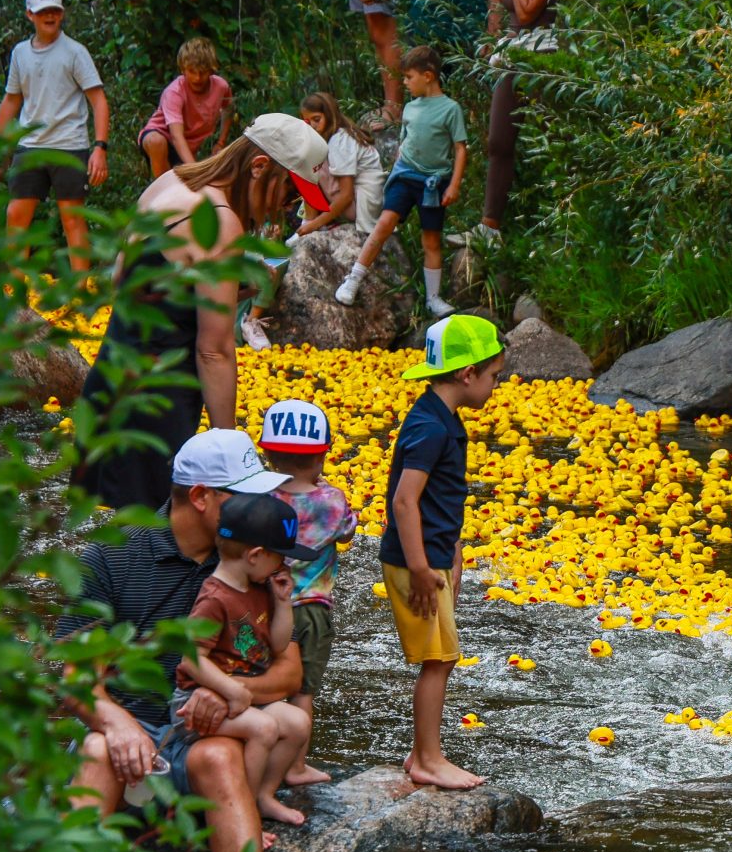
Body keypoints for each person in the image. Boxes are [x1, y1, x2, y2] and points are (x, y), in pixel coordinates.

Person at [59, 429, 302, 852]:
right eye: (245, 496)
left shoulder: (254, 561)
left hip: (197, 742)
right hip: (125, 735)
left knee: (220, 754)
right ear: (201, 497)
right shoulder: (111, 555)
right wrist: (116, 722)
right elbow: (75, 676)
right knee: (98, 746)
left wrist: (230, 691)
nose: (261, 509)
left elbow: (291, 670)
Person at [71, 113, 330, 511]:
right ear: (259, 168)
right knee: (161, 549)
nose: (288, 209)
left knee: (114, 551)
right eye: (290, 195)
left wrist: (229, 286)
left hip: (110, 385)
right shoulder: (219, 220)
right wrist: (229, 455)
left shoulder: (171, 181)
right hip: (158, 409)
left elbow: (125, 281)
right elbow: (214, 350)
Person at [381, 315, 506, 788]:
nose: (497, 384)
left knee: (444, 655)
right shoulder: (431, 429)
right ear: (466, 373)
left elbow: (439, 497)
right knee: (439, 658)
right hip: (414, 560)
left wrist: (452, 549)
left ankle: (420, 753)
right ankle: (430, 759)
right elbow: (405, 500)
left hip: (431, 553)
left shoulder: (441, 419)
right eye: (494, 375)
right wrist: (418, 567)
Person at [167, 492, 318, 829]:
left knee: (297, 724)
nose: (283, 565)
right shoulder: (214, 597)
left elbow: (279, 645)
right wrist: (232, 692)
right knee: (264, 728)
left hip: (239, 701)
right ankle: (244, 814)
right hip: (195, 704)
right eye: (280, 557)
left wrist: (282, 602)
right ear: (255, 555)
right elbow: (192, 659)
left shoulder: (260, 587)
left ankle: (263, 796)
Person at [259, 398, 357, 784]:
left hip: (268, 604)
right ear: (322, 457)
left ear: (267, 454)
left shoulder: (262, 498)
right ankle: (296, 767)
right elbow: (347, 531)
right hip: (312, 610)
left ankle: (265, 758)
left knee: (268, 685)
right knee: (303, 690)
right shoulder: (331, 501)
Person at [242, 93, 383, 350]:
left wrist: (314, 225)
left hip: (362, 210)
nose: (313, 126)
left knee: (309, 171)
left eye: (316, 120)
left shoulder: (340, 141)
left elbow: (345, 194)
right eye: (307, 121)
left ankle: (251, 320)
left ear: (330, 116)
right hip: (349, 208)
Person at [334, 45, 465, 318]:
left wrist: (453, 184)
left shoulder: (450, 109)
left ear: (428, 75)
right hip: (405, 176)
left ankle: (433, 298)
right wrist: (396, 165)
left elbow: (460, 148)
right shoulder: (410, 108)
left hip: (433, 182)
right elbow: (405, 141)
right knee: (383, 224)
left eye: (408, 77)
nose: (404, 83)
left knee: (431, 240)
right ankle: (353, 279)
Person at [0, 0, 108, 271]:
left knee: (72, 217)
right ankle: (15, 288)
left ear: (62, 14)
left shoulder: (75, 52)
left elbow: (98, 100)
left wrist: (100, 148)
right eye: (43, 11)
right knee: (17, 214)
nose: (50, 16)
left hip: (70, 145)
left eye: (54, 11)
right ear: (29, 14)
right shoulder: (20, 52)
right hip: (30, 145)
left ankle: (80, 289)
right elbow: (12, 100)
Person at [480, 0, 563, 240]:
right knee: (499, 141)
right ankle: (489, 228)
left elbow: (528, 13)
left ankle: (564, 221)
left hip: (544, 57)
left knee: (554, 141)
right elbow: (505, 13)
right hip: (513, 56)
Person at [137, 37, 233, 178]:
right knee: (157, 143)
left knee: (192, 185)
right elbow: (176, 136)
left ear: (211, 69)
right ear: (182, 69)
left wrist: (221, 142)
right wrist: (195, 171)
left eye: (203, 72)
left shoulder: (221, 87)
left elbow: (229, 108)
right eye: (192, 71)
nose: (197, 78)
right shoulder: (174, 92)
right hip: (163, 137)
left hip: (187, 146)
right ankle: (163, 187)